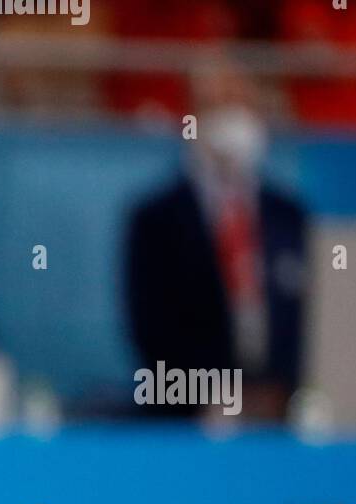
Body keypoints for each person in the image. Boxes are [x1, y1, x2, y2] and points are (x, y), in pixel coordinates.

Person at [124, 64, 309, 421]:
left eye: (238, 103)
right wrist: (210, 396)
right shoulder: (156, 219)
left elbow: (308, 317)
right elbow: (151, 325)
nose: (229, 119)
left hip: (282, 411)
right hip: (187, 414)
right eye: (214, 105)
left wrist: (284, 391)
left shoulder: (289, 216)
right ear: (189, 119)